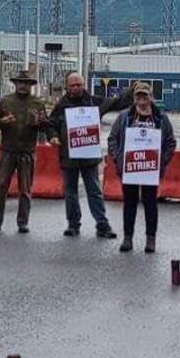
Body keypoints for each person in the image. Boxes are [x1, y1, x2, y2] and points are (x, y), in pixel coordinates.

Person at [48, 73, 131, 239]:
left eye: (78, 85)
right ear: (67, 87)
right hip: (68, 157)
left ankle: (102, 225)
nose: (76, 88)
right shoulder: (60, 106)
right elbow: (51, 125)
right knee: (70, 193)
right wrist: (53, 136)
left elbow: (117, 102)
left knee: (94, 192)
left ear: (84, 85)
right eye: (72, 85)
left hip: (89, 157)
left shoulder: (94, 102)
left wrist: (131, 91)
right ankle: (73, 224)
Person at [0, 70, 56, 234]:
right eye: (20, 82)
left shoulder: (37, 103)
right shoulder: (6, 101)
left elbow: (46, 126)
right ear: (15, 84)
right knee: (1, 186)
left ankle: (23, 222)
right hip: (7, 150)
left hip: (27, 151)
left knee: (25, 189)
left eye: (26, 83)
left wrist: (41, 123)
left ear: (30, 86)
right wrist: (3, 121)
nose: (23, 86)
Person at [107, 82, 175, 253]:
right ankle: (127, 238)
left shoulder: (161, 118)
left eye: (145, 95)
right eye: (139, 96)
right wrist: (119, 158)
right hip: (129, 168)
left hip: (151, 169)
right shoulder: (125, 117)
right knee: (129, 203)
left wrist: (161, 161)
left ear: (151, 97)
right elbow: (113, 139)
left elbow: (170, 142)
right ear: (134, 98)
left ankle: (150, 239)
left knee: (150, 203)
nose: (142, 99)